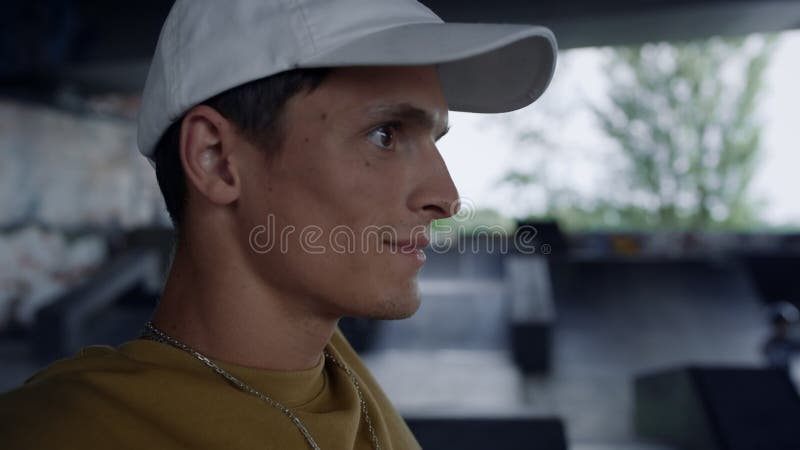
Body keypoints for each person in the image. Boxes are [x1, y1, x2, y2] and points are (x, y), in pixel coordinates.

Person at [0, 0, 556, 448]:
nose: (448, 198)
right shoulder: (65, 432)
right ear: (216, 158)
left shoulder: (331, 369)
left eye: (432, 140)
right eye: (385, 134)